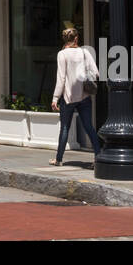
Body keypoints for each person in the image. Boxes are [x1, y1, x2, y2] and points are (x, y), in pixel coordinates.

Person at [49, 27, 102, 166]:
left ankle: (59, 159)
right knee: (89, 127)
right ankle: (98, 156)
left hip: (68, 97)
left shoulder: (62, 54)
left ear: (65, 40)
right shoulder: (85, 52)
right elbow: (96, 73)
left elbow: (61, 78)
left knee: (65, 128)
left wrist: (55, 98)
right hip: (84, 96)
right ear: (76, 38)